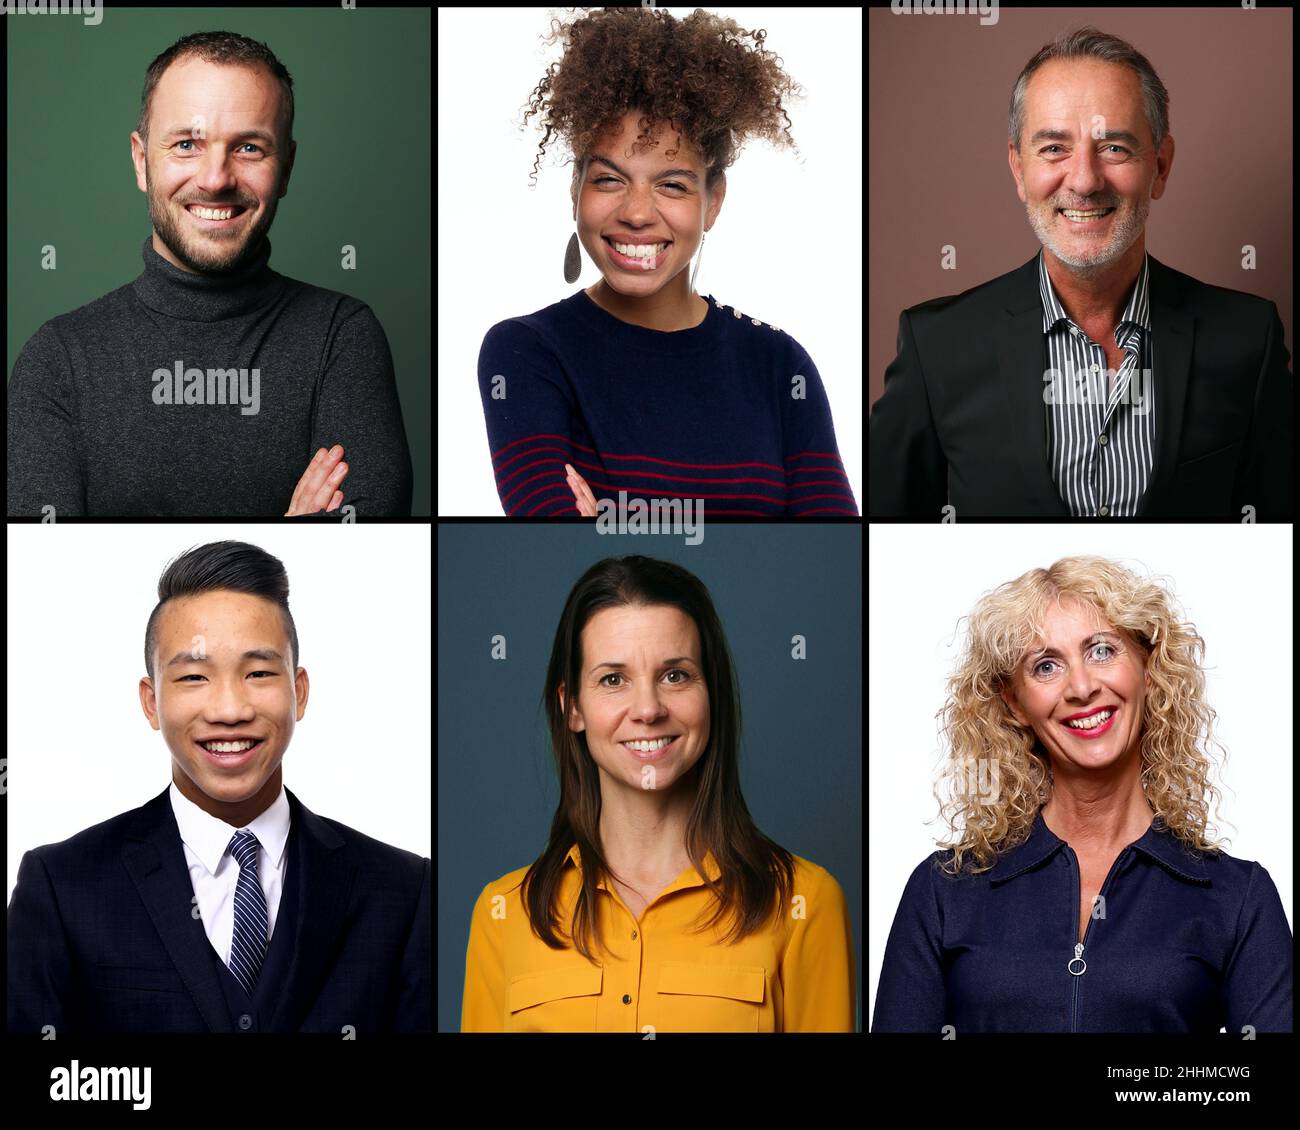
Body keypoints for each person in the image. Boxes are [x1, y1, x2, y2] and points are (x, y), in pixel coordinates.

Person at [6, 541, 430, 1033]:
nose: (229, 710)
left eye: (258, 672)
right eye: (193, 676)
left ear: (300, 692)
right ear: (151, 702)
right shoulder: (62, 885)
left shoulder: (403, 890)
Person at [869, 26, 1292, 519]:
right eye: (1054, 149)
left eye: (1114, 147)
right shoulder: (936, 346)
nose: (1086, 181)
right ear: (1018, 169)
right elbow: (882, 546)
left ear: (1160, 166)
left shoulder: (1247, 339)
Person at [871, 556, 1292, 1033]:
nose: (1082, 687)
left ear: (1148, 669)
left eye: (1102, 651)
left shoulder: (1238, 897)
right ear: (1015, 704)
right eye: (1046, 666)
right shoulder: (943, 891)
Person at [7, 31, 412, 517]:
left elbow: (364, 546)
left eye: (248, 148)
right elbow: (50, 570)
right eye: (186, 144)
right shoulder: (58, 359)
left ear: (286, 169)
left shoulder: (342, 336)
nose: (216, 178)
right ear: (141, 161)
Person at [477, 8, 856, 517]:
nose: (636, 213)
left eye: (672, 185)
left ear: (713, 200)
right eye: (609, 179)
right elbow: (563, 554)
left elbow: (828, 563)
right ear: (576, 189)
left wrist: (613, 526)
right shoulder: (526, 353)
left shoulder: (779, 366)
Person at [461, 556, 855, 1031]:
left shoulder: (806, 903)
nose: (647, 709)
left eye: (676, 675)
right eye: (613, 679)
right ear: (572, 708)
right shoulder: (503, 913)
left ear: (712, 694)